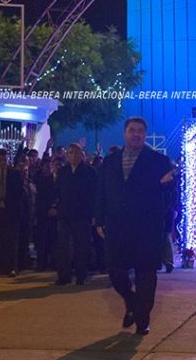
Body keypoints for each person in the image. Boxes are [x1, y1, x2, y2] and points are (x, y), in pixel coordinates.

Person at [94, 117, 174, 335]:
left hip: (147, 227)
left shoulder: (158, 161)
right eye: (132, 130)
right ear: (124, 134)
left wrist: (166, 187)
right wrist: (99, 219)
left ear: (145, 134)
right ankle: (131, 301)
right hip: (117, 226)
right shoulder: (110, 162)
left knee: (146, 274)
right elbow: (101, 191)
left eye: (140, 131)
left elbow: (170, 195)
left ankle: (142, 319)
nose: (136, 134)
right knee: (114, 270)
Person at [53, 144, 96, 286]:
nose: (72, 156)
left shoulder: (89, 172)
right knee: (63, 247)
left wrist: (93, 214)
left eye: (75, 153)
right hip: (65, 214)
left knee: (81, 246)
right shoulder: (63, 172)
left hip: (82, 215)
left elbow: (93, 195)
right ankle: (64, 276)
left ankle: (81, 275)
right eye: (69, 153)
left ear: (81, 155)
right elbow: (58, 191)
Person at [0, 149, 26, 277]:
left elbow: (18, 193)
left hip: (11, 210)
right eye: (0, 159)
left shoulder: (15, 174)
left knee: (11, 239)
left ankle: (11, 266)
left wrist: (6, 202)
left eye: (5, 159)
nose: (3, 162)